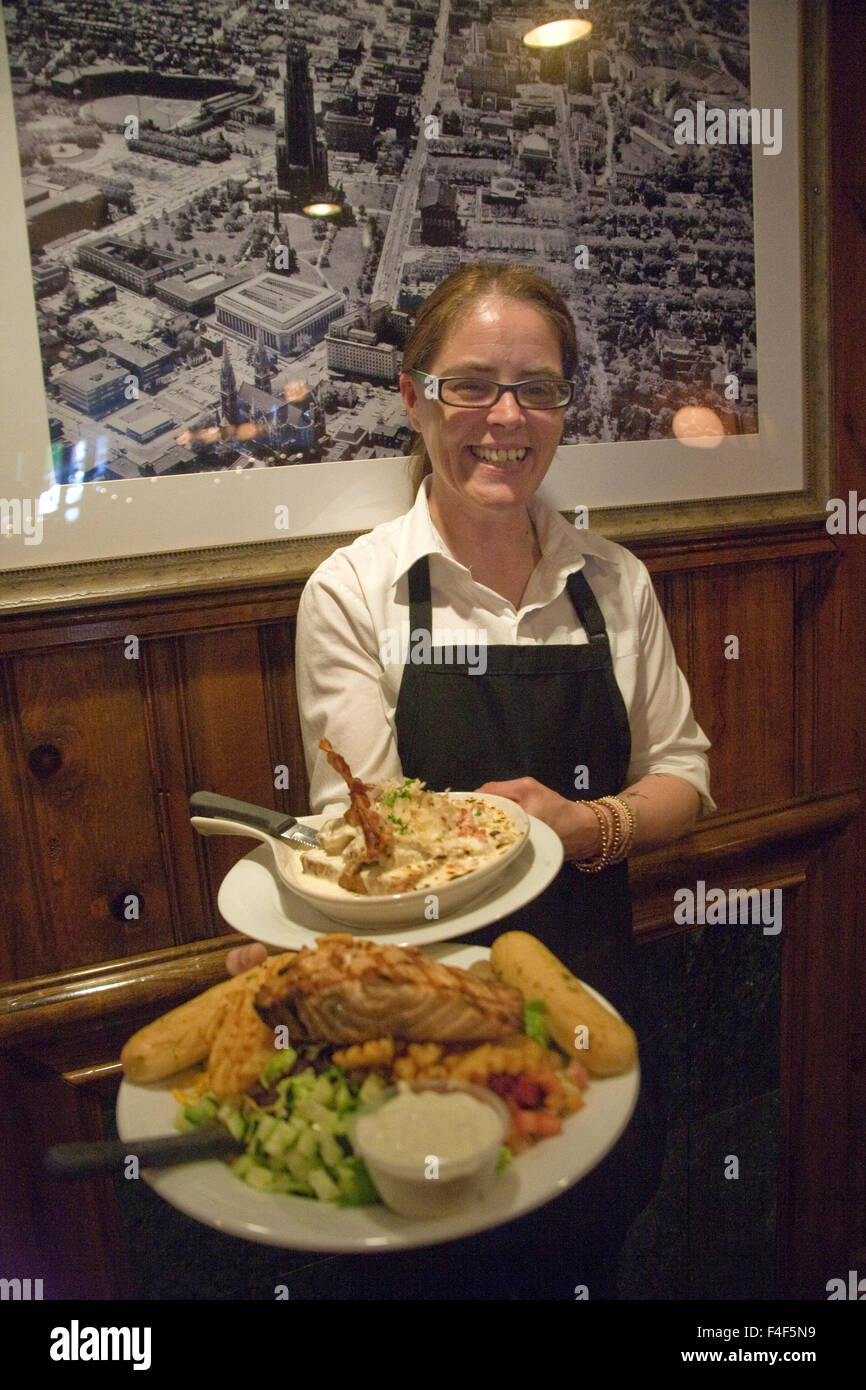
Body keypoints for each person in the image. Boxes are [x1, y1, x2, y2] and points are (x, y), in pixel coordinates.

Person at [230, 262, 715, 1299]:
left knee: (589, 1257)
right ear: (411, 396)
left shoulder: (615, 583)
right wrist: (284, 967)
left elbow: (684, 774)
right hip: (416, 1032)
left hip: (588, 1009)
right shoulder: (356, 592)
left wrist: (583, 824)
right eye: (470, 385)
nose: (505, 418)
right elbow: (360, 833)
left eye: (536, 388)